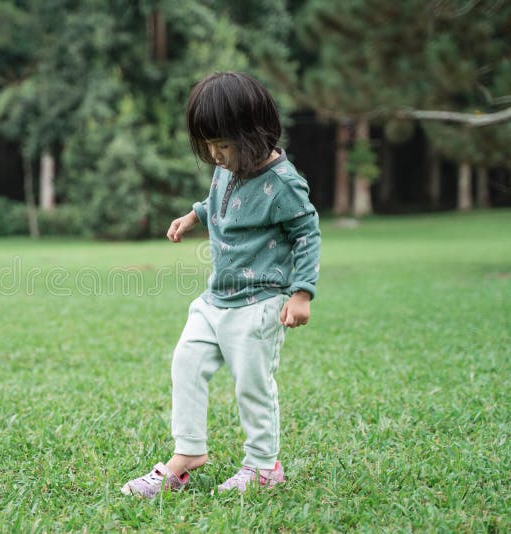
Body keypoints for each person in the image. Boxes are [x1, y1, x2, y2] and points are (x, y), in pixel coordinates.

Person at [121, 72, 321, 497]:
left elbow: (307, 234)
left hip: (259, 303)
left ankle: (264, 466)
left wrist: (302, 292)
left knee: (252, 384)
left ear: (254, 132)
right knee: (186, 362)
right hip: (215, 298)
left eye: (222, 145)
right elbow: (220, 201)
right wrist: (194, 215)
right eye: (208, 145)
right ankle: (188, 454)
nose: (214, 155)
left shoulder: (283, 184)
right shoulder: (227, 167)